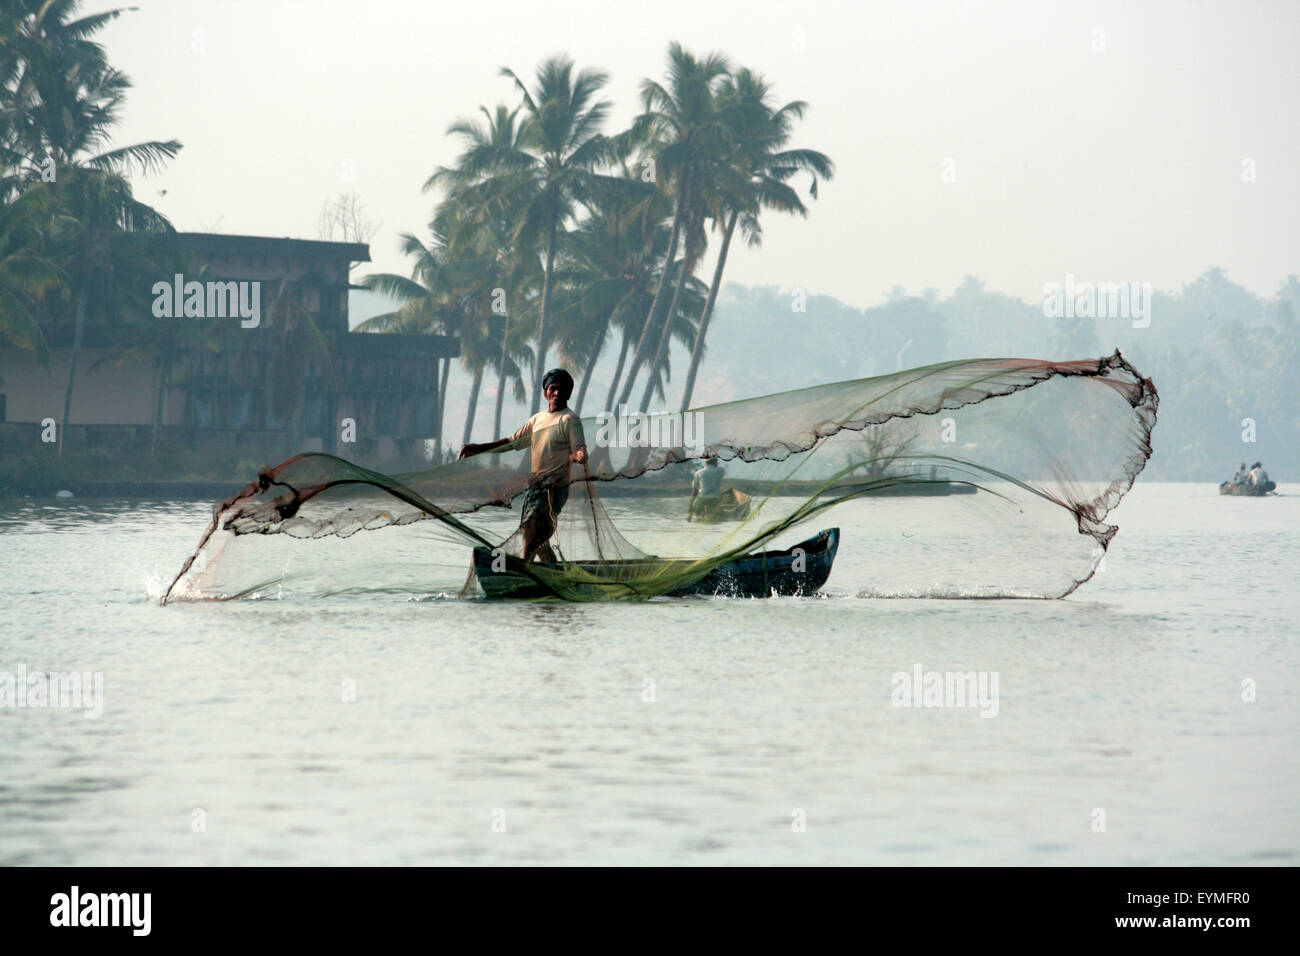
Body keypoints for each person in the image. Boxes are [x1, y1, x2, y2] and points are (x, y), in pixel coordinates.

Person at [459, 369, 587, 563]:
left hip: (555, 490)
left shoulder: (569, 420)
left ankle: (522, 570)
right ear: (545, 393)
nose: (557, 393)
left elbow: (581, 451)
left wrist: (577, 456)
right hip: (536, 489)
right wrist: (478, 448)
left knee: (530, 529)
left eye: (562, 389)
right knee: (537, 540)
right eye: (552, 388)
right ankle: (552, 573)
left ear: (569, 393)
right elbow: (512, 442)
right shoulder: (537, 420)